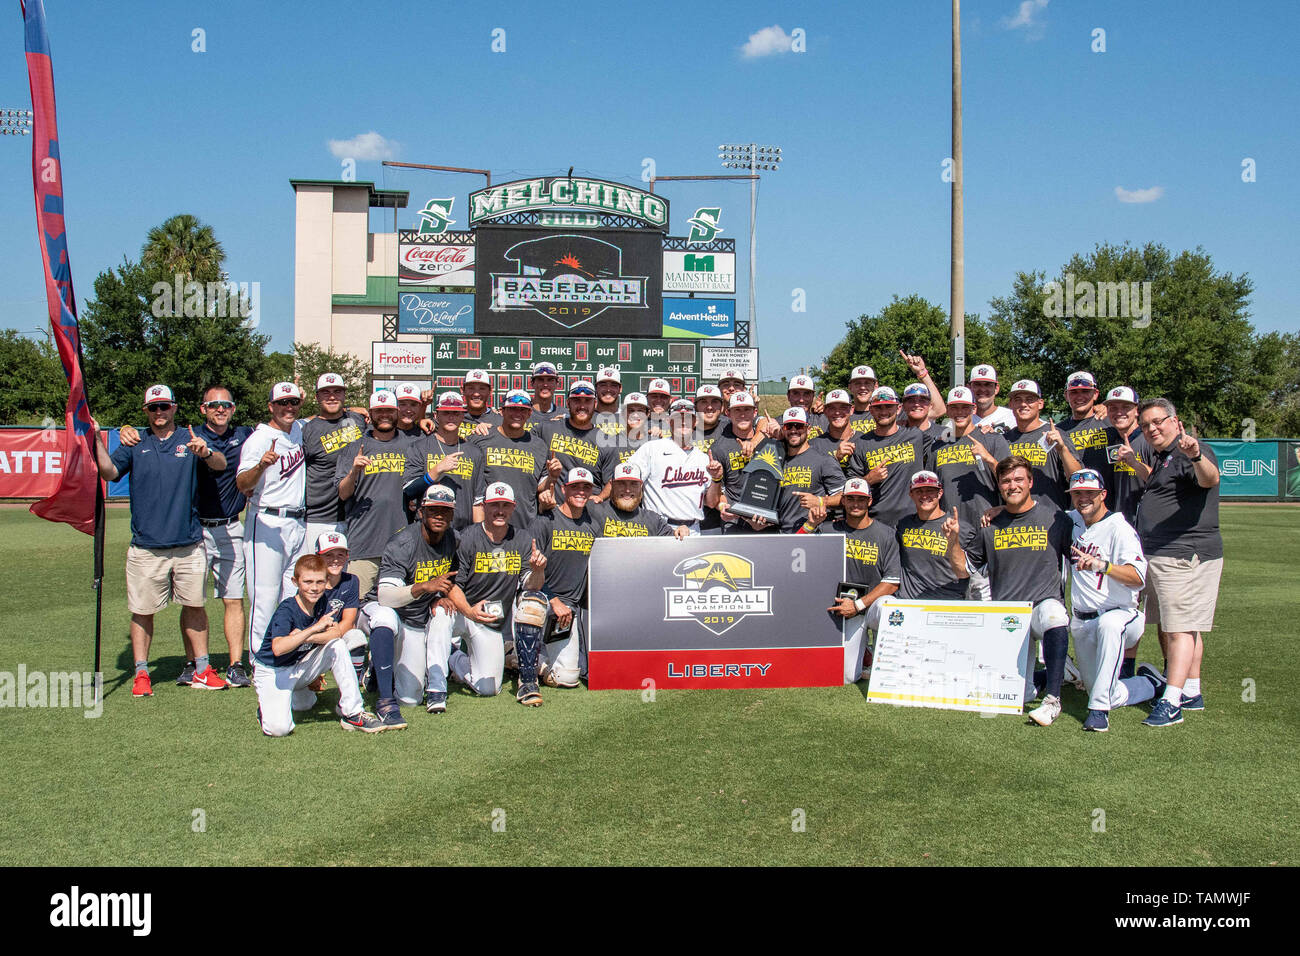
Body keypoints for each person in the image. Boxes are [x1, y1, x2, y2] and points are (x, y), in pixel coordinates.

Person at [93, 384, 230, 696]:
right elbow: (109, 471)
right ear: (146, 411)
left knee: (195, 606)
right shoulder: (134, 441)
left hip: (189, 543)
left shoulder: (190, 437)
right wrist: (97, 440)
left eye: (164, 406)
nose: (159, 412)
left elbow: (220, 465)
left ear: (174, 408)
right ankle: (142, 673)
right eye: (153, 408)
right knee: (142, 611)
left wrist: (205, 452)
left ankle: (202, 668)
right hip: (146, 546)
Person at [118, 385, 254, 686]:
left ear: (233, 408)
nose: (220, 409)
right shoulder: (187, 435)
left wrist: (354, 414)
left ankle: (235, 665)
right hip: (194, 529)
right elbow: (118, 464)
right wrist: (123, 428)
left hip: (229, 526)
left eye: (226, 405)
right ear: (202, 409)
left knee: (230, 599)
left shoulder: (243, 434)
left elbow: (288, 423)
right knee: (190, 602)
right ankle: (192, 662)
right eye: (213, 405)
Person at [943, 455, 1076, 726]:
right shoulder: (989, 526)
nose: (1012, 486)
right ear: (999, 486)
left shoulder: (1056, 519)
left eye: (1018, 480)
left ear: (1030, 482)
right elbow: (963, 571)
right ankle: (1057, 671)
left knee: (1055, 615)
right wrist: (953, 542)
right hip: (1008, 617)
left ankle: (1053, 699)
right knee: (1019, 695)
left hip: (1041, 606)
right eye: (1005, 481)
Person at [1133, 397, 1223, 728]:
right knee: (1179, 625)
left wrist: (1195, 453)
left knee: (1179, 628)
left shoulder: (1188, 453)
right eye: (1145, 425)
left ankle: (1171, 701)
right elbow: (1162, 490)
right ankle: (1191, 691)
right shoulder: (1164, 457)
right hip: (1161, 553)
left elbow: (1210, 479)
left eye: (1158, 421)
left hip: (1184, 553)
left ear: (1175, 421)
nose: (1152, 428)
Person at [1064, 470, 1158, 732]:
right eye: (1077, 494)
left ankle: (1098, 713)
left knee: (1109, 625)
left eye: (1090, 494)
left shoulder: (1119, 528)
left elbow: (1138, 577)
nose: (1083, 499)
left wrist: (1102, 565)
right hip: (1083, 620)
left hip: (1122, 614)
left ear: (1103, 494)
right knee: (1102, 689)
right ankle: (1150, 684)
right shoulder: (1071, 521)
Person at [252, 554, 384, 735]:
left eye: (319, 582)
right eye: (308, 582)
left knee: (337, 645)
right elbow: (279, 647)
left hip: (300, 665)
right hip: (273, 671)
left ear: (326, 581)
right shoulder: (287, 608)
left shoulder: (323, 602)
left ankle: (353, 713)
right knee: (279, 729)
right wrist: (314, 630)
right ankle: (267, 708)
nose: (314, 588)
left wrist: (306, 637)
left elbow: (336, 633)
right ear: (295, 581)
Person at [365, 484, 461, 721]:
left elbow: (454, 577)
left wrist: (439, 596)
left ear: (452, 514)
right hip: (395, 614)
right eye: (433, 510)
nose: (439, 516)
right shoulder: (402, 543)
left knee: (444, 612)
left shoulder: (453, 539)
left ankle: (437, 688)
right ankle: (378, 663)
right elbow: (386, 596)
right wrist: (425, 587)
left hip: (421, 615)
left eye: (445, 511)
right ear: (421, 512)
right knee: (408, 699)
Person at [449, 482, 548, 703]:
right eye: (494, 505)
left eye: (505, 505)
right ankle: (450, 654)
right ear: (484, 506)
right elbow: (453, 585)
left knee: (488, 688)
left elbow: (531, 585)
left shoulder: (522, 538)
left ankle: (525, 678)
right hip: (463, 612)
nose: (500, 511)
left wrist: (538, 571)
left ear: (513, 508)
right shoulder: (467, 537)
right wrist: (469, 612)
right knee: (438, 620)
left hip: (491, 620)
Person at [237, 381, 309, 668]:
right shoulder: (259, 438)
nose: (288, 407)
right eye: (282, 403)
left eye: (293, 402)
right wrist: (261, 466)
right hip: (266, 519)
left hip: (297, 522)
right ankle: (259, 660)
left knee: (292, 595)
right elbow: (242, 483)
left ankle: (285, 653)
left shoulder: (299, 430)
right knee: (264, 596)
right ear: (271, 406)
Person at [931, 386, 1009, 600]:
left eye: (965, 408)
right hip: (952, 532)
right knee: (955, 604)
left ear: (974, 408)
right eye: (955, 408)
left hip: (986, 530)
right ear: (947, 410)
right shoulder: (938, 447)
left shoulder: (992, 440)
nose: (959, 413)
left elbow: (1012, 484)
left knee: (986, 604)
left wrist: (989, 459)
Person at [336, 390, 414, 602]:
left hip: (401, 542)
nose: (385, 415)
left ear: (396, 412)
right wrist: (354, 471)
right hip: (364, 541)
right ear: (370, 414)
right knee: (355, 604)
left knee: (400, 605)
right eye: (379, 411)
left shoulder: (410, 445)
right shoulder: (356, 445)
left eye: (389, 410)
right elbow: (343, 494)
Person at [824, 478, 901, 684]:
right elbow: (798, 546)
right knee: (847, 677)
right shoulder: (831, 530)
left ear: (869, 501)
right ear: (843, 501)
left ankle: (888, 665)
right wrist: (811, 523)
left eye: (861, 499)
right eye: (851, 499)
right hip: (846, 608)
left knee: (890, 608)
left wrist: (858, 605)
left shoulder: (886, 534)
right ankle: (865, 652)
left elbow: (892, 583)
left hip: (871, 604)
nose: (856, 504)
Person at [532, 468, 603, 688]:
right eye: (575, 487)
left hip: (567, 611)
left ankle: (539, 661)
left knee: (567, 678)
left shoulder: (594, 525)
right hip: (540, 598)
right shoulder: (546, 521)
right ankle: (524, 654)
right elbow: (528, 572)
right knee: (530, 608)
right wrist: (553, 600)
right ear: (564, 489)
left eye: (586, 488)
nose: (580, 492)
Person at [626, 398, 721, 533]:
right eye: (677, 418)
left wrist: (716, 479)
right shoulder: (651, 449)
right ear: (668, 421)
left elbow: (711, 502)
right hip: (660, 526)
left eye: (688, 418)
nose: (683, 422)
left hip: (694, 528)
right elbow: (625, 478)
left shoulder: (703, 458)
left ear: (696, 422)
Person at [847, 386, 934, 529]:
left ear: (898, 408)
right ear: (871, 410)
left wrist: (982, 429)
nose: (884, 412)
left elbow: (947, 437)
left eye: (889, 407)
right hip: (878, 522)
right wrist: (869, 479)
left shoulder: (915, 436)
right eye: (878, 407)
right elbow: (850, 487)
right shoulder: (861, 444)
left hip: (914, 520)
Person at [471, 389, 555, 528]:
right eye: (513, 409)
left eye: (522, 410)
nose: (517, 414)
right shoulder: (481, 438)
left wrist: (553, 476)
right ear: (502, 411)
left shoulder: (539, 445)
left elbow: (539, 487)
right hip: (488, 526)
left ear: (530, 413)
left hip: (525, 526)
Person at [403, 391, 484, 532]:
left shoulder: (474, 452)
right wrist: (437, 470)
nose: (451, 417)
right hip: (428, 532)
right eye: (446, 412)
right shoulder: (419, 447)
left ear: (462, 416)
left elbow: (477, 501)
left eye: (456, 413)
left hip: (464, 531)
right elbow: (409, 490)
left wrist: (477, 535)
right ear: (436, 416)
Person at [301, 373, 367, 548]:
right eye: (325, 392)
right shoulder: (307, 430)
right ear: (316, 397)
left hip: (354, 516)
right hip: (319, 518)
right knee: (316, 574)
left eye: (337, 391)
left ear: (344, 395)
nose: (332, 396)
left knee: (346, 574)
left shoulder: (358, 420)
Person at [1001, 379, 1082, 511]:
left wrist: (1062, 449)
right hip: (1015, 520)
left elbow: (1077, 477)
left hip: (1052, 518)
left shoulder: (1056, 434)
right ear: (1011, 404)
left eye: (1029, 399)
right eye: (1018, 399)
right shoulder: (1004, 440)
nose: (1023, 404)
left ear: (1040, 404)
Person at [895, 471, 966, 601]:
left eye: (930, 491)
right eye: (919, 491)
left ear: (940, 493)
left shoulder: (959, 527)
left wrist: (953, 541)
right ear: (911, 494)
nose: (925, 495)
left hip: (947, 602)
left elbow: (964, 572)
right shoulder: (903, 525)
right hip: (909, 603)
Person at [772, 407, 845, 534]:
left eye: (799, 426)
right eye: (788, 427)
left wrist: (821, 501)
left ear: (808, 428)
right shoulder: (776, 461)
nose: (793, 430)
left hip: (816, 533)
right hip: (782, 534)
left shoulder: (824, 460)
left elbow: (845, 497)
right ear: (783, 430)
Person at [540, 380, 604, 503]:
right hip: (554, 512)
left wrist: (601, 497)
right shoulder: (547, 429)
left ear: (595, 404)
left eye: (587, 401)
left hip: (588, 516)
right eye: (577, 400)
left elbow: (611, 480)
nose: (582, 406)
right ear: (568, 403)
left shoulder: (605, 439)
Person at [596, 462, 690, 538]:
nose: (627, 489)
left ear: (641, 486)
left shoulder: (654, 520)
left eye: (633, 484)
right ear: (612, 485)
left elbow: (673, 542)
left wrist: (680, 531)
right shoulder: (595, 513)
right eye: (621, 483)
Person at [1054, 371, 1111, 469]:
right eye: (1074, 392)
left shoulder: (1110, 421)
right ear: (1066, 396)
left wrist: (1109, 408)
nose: (1080, 397)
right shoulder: (1058, 431)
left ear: (1095, 394)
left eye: (1085, 391)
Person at [968, 364, 1016, 432]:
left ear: (996, 389)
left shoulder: (1012, 417)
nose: (983, 389)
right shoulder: (962, 421)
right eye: (977, 384)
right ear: (970, 388)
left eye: (988, 385)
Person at [458, 369, 502, 439]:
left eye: (482, 389)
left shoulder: (500, 422)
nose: (476, 394)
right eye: (471, 388)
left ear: (490, 391)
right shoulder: (452, 417)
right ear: (462, 390)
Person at [847, 365, 879, 436]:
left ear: (875, 386)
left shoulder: (887, 413)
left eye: (867, 383)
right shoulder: (842, 416)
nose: (862, 387)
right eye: (857, 383)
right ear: (850, 387)